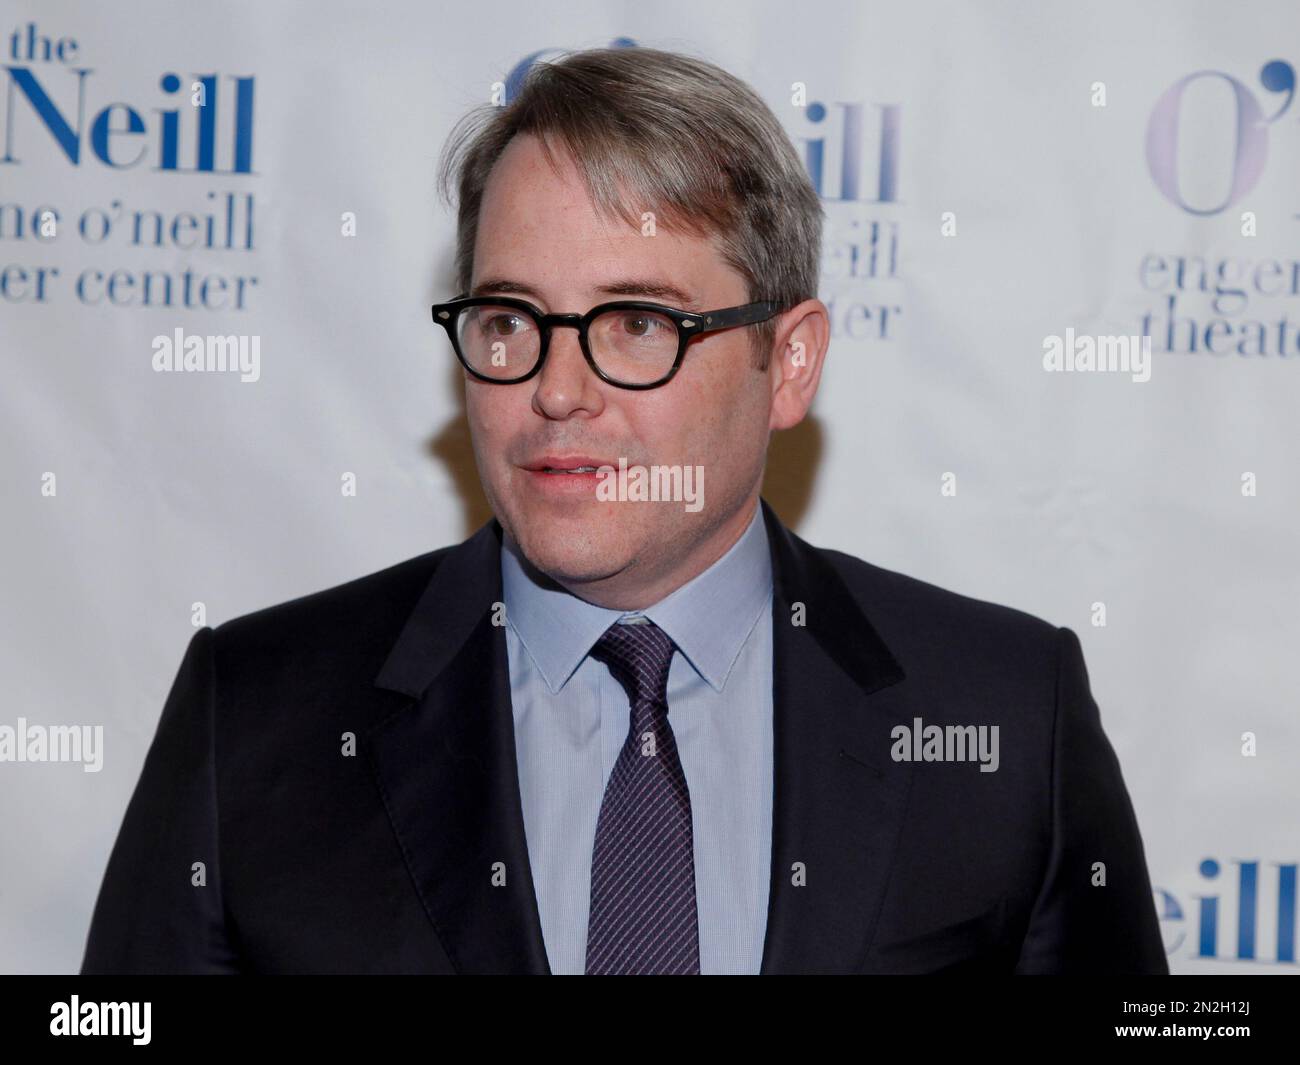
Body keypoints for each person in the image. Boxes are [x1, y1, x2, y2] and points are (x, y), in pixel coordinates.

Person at [80, 46, 1167, 975]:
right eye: (510, 319)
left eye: (638, 323)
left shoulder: (1007, 717)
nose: (555, 389)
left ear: (787, 365)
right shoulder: (260, 716)